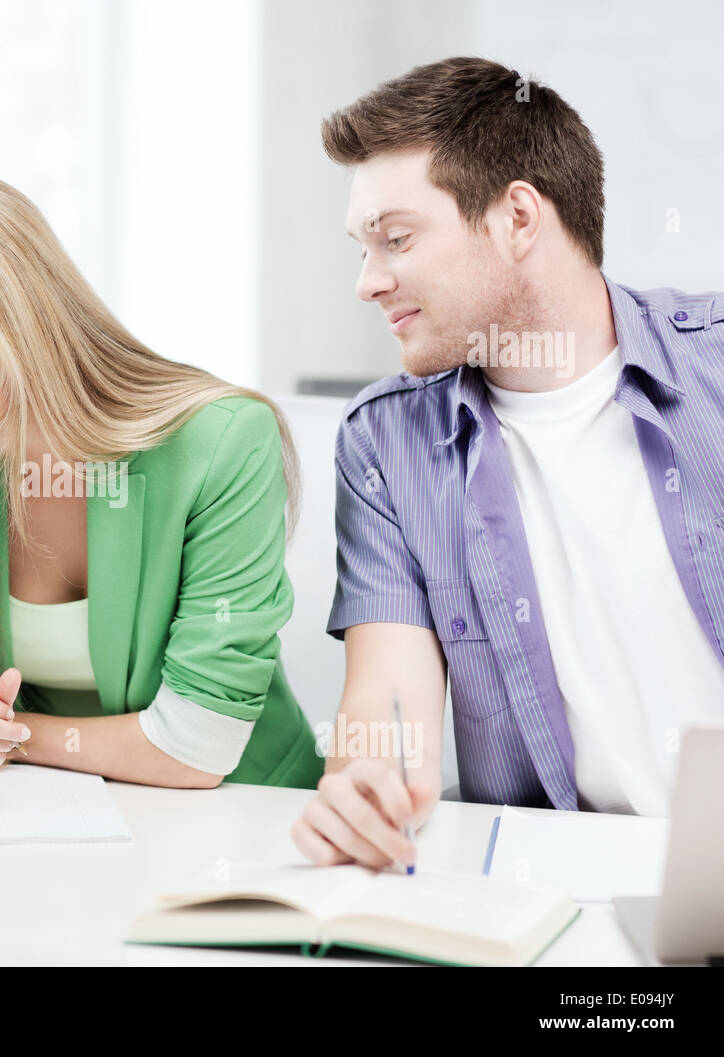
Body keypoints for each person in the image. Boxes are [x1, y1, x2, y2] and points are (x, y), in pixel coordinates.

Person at [292, 57, 724, 870]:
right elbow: (387, 718)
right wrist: (367, 790)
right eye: (362, 246)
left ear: (518, 216)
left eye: (396, 238)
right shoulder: (387, 444)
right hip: (564, 895)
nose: (368, 281)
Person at [0, 170, 323, 789]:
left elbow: (198, 743)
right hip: (42, 830)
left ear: (20, 322)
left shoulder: (221, 444)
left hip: (249, 823)